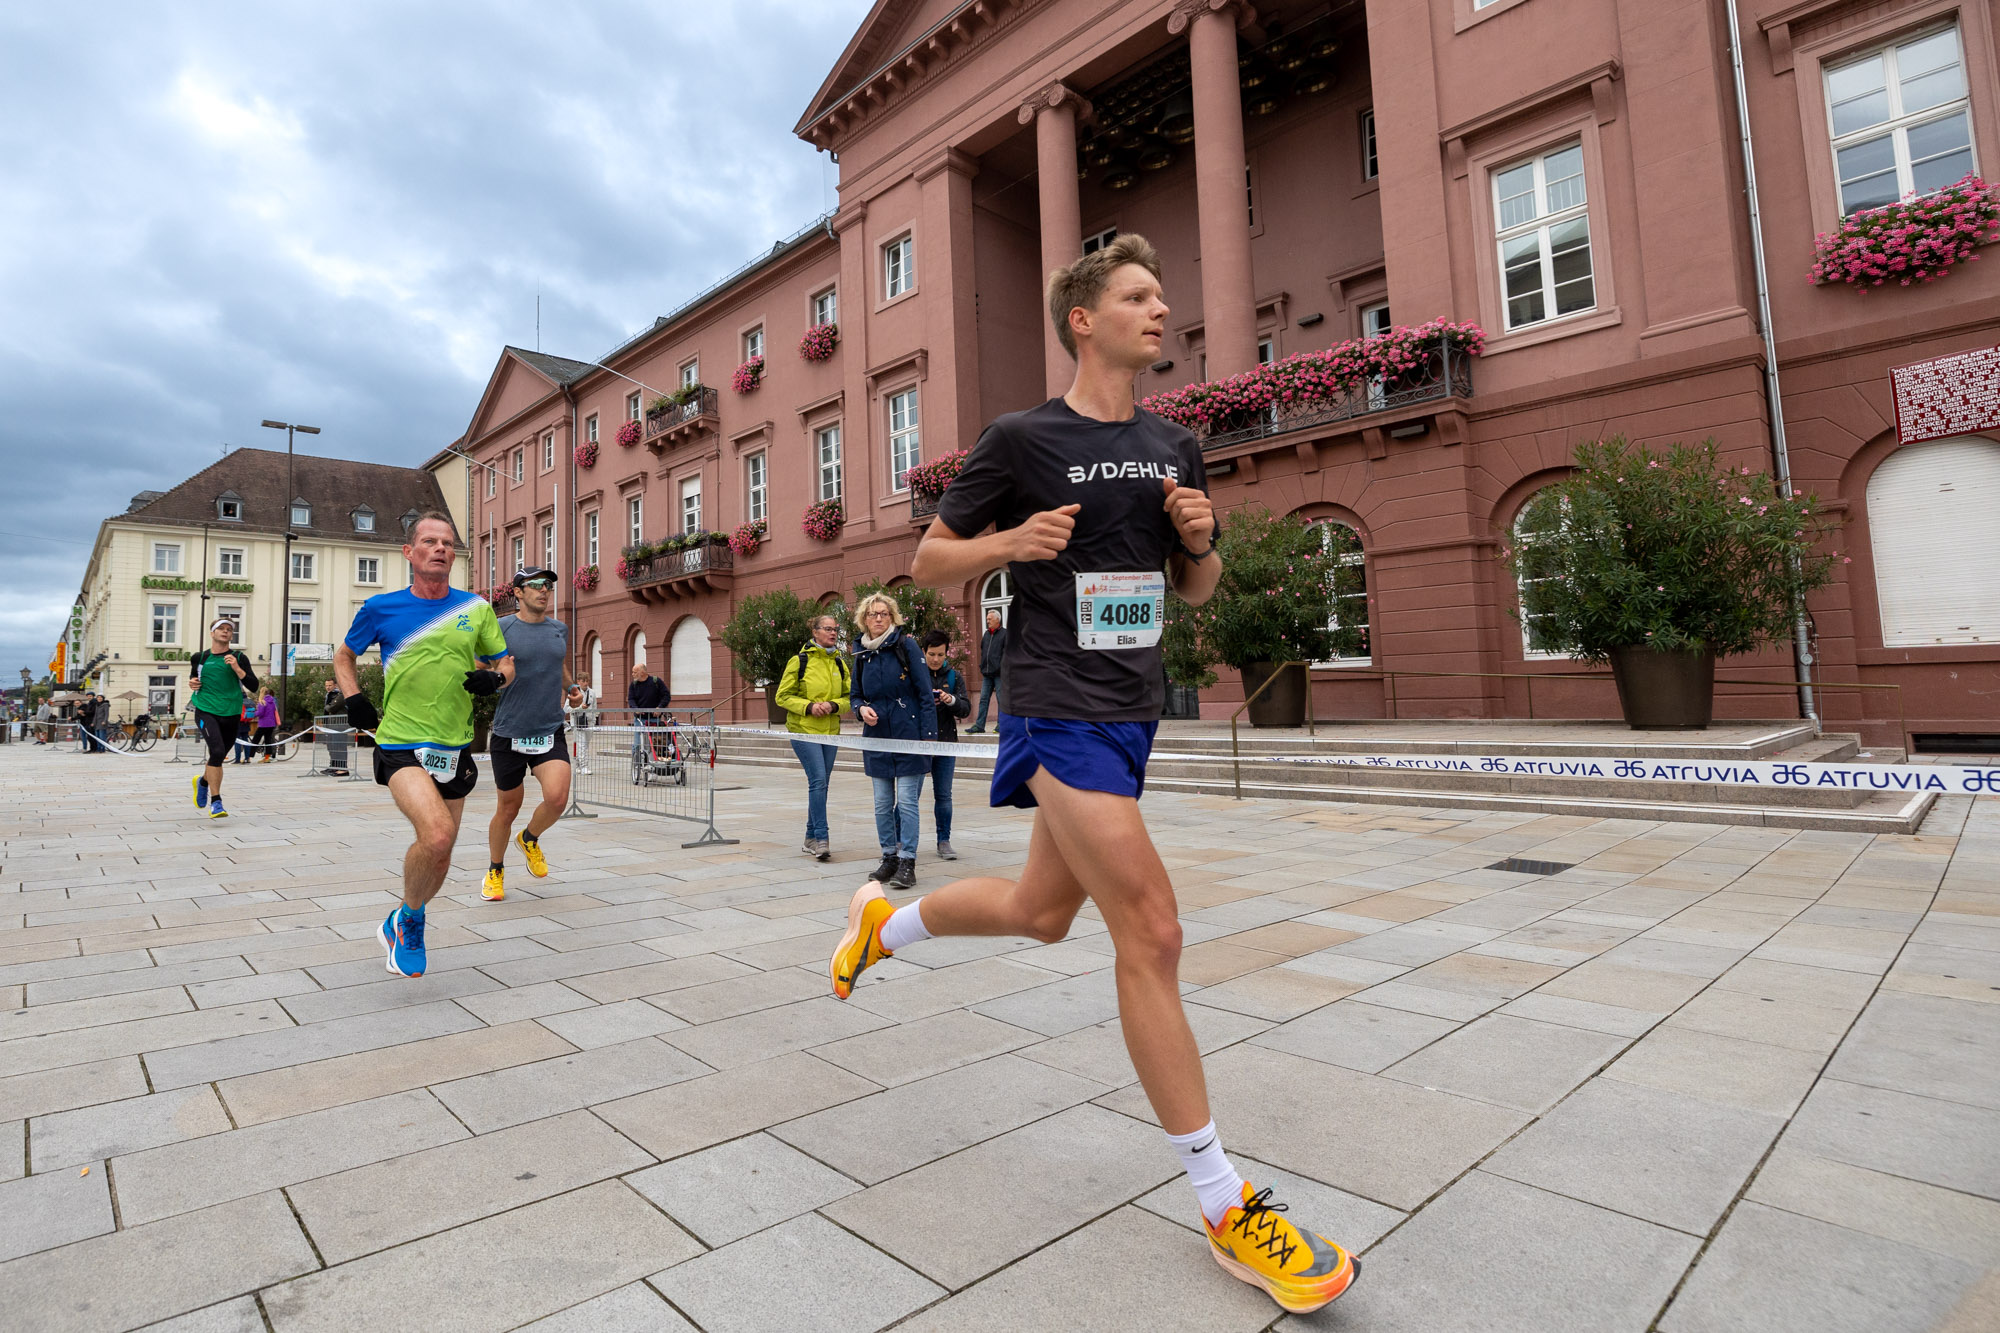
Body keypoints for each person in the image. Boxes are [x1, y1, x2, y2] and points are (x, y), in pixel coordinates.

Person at [828, 234, 1357, 1315]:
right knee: (1151, 929)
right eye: (1137, 295)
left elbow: (1195, 594)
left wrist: (1202, 543)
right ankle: (1221, 1200)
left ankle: (883, 926)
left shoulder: (1174, 443)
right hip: (1052, 700)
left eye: (1160, 296)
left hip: (1131, 710)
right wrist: (1008, 542)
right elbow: (927, 560)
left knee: (1037, 912)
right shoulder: (1021, 437)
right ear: (1083, 317)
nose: (1160, 310)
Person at [335, 511, 512, 979]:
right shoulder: (381, 608)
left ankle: (399, 916)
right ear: (409, 552)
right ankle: (412, 922)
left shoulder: (475, 608)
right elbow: (344, 654)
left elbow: (505, 662)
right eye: (430, 542)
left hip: (454, 746)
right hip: (400, 742)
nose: (441, 549)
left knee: (443, 851)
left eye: (448, 543)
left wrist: (494, 677)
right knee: (436, 835)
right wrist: (354, 698)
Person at [483, 568, 584, 902]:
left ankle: (529, 838)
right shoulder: (501, 628)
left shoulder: (558, 629)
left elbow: (558, 664)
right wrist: (497, 674)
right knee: (507, 809)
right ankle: (495, 870)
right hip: (509, 732)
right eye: (537, 585)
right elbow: (479, 665)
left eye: (549, 586)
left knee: (557, 797)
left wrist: (570, 686)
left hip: (548, 729)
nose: (545, 590)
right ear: (518, 593)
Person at [848, 592, 936, 890]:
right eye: (872, 614)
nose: (878, 618)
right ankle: (889, 857)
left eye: (884, 613)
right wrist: (860, 709)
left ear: (892, 617)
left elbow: (925, 694)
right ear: (864, 619)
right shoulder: (860, 652)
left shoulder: (906, 646)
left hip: (908, 734)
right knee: (882, 803)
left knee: (908, 802)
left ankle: (908, 860)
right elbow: (855, 695)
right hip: (876, 737)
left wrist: (928, 739)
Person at [774, 613, 850, 861]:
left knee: (822, 784)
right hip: (804, 731)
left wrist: (834, 705)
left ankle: (809, 837)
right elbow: (782, 696)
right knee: (818, 781)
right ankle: (821, 838)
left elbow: (851, 698)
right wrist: (809, 706)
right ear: (815, 632)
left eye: (835, 629)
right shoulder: (800, 661)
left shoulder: (840, 663)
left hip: (831, 734)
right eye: (827, 629)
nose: (833, 633)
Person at [187, 619, 258, 818]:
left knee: (217, 757)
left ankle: (202, 782)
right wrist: (192, 683)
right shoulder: (199, 657)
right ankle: (216, 802)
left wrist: (237, 669)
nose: (225, 632)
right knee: (217, 751)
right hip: (205, 709)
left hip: (232, 711)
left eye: (229, 630)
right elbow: (195, 677)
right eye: (221, 629)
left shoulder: (239, 657)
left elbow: (253, 686)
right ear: (212, 633)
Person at [921, 629, 971, 860]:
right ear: (924, 652)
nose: (935, 659)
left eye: (940, 655)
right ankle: (901, 841)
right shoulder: (915, 675)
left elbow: (966, 708)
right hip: (919, 744)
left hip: (946, 742)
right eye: (931, 654)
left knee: (944, 795)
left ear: (946, 653)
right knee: (909, 796)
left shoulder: (954, 677)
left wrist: (951, 701)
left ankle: (944, 841)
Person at [626, 659, 670, 782]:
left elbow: (666, 696)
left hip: (654, 719)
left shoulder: (656, 682)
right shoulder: (633, 685)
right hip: (639, 719)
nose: (633, 674)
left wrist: (660, 707)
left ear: (643, 672)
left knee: (653, 745)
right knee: (638, 745)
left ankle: (654, 769)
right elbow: (631, 699)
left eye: (635, 672)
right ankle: (637, 766)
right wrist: (636, 709)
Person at [968, 609, 1006, 733]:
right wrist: (982, 666)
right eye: (987, 618)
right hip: (987, 674)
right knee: (983, 699)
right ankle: (979, 726)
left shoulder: (1005, 634)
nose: (987, 621)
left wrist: (1001, 667)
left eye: (990, 619)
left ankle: (1002, 725)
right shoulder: (986, 634)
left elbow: (1007, 654)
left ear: (997, 620)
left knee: (1001, 699)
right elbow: (983, 651)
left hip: (1000, 673)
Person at [320, 677, 351, 775]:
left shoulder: (340, 695)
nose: (328, 687)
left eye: (330, 685)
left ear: (335, 685)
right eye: (326, 685)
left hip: (339, 725)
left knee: (339, 746)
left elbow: (332, 708)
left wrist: (328, 706)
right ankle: (333, 766)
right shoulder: (329, 695)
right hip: (330, 725)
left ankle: (342, 768)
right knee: (331, 747)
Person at [252, 687, 280, 762]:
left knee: (255, 740)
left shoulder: (262, 702)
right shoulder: (272, 702)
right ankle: (267, 757)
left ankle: (249, 756)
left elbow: (260, 713)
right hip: (271, 724)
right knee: (268, 740)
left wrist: (253, 714)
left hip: (263, 724)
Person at [234, 691, 256, 763]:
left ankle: (237, 759)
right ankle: (247, 758)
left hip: (238, 723)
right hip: (246, 723)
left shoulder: (238, 702)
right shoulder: (249, 702)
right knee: (246, 741)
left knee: (237, 741)